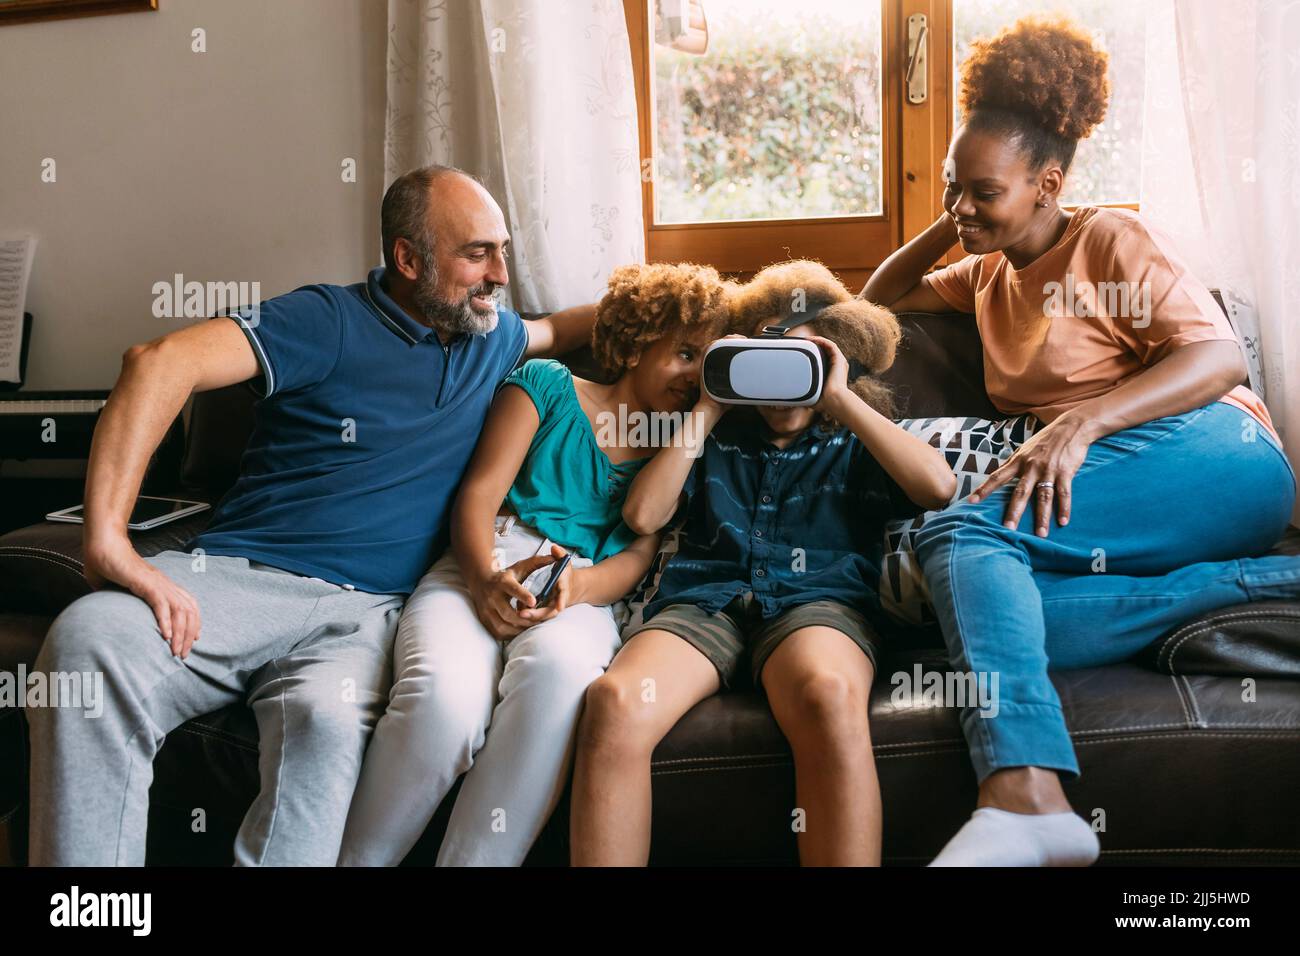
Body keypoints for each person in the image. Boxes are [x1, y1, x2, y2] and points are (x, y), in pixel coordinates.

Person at [27, 164, 598, 865]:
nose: (500, 273)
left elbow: (565, 327)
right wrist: (108, 540)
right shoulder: (326, 319)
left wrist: (695, 312)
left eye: (503, 251)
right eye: (477, 253)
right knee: (88, 640)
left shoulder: (493, 336)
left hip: (366, 619)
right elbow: (155, 363)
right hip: (242, 581)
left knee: (326, 727)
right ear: (408, 258)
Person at [861, 15, 1300, 866]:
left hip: (1218, 456)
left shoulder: (1109, 240)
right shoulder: (985, 272)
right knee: (990, 617)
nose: (963, 207)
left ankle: (1027, 794)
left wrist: (1081, 421)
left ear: (1048, 184)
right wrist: (957, 214)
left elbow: (1218, 357)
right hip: (1141, 504)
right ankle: (1264, 582)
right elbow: (879, 300)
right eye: (958, 187)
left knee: (956, 528)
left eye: (985, 191)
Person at [338, 262, 729, 866]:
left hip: (582, 591)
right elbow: (477, 495)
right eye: (683, 352)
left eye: (704, 365)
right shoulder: (545, 384)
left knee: (559, 678)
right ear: (634, 344)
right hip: (483, 560)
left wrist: (580, 586)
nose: (691, 376)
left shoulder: (679, 452)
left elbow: (638, 552)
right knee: (444, 705)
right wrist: (482, 575)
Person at [569, 260, 957, 866]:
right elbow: (643, 516)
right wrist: (711, 405)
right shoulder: (714, 433)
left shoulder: (857, 436)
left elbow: (937, 488)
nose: (779, 381)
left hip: (818, 606)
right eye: (763, 359)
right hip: (705, 603)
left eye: (796, 362)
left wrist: (841, 397)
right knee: (614, 702)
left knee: (828, 693)